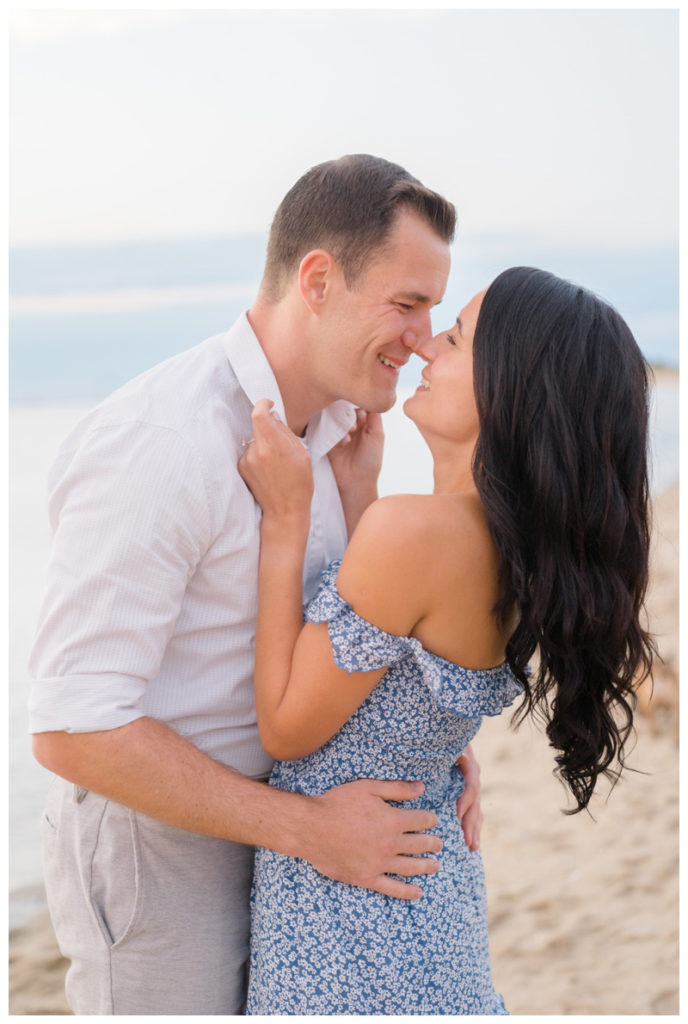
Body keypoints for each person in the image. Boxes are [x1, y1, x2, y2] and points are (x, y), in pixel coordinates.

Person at [27, 155, 486, 1015]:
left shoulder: (347, 430)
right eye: (407, 304)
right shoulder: (162, 442)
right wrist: (308, 831)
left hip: (288, 835)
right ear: (318, 279)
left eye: (434, 310)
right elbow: (69, 726)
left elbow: (346, 633)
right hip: (162, 848)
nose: (424, 338)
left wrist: (419, 737)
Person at [238, 266, 654, 1014]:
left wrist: (287, 518)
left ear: (512, 388)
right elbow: (407, 676)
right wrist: (360, 497)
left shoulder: (419, 533)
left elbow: (285, 727)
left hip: (351, 923)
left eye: (456, 338)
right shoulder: (516, 548)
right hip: (424, 903)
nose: (427, 347)